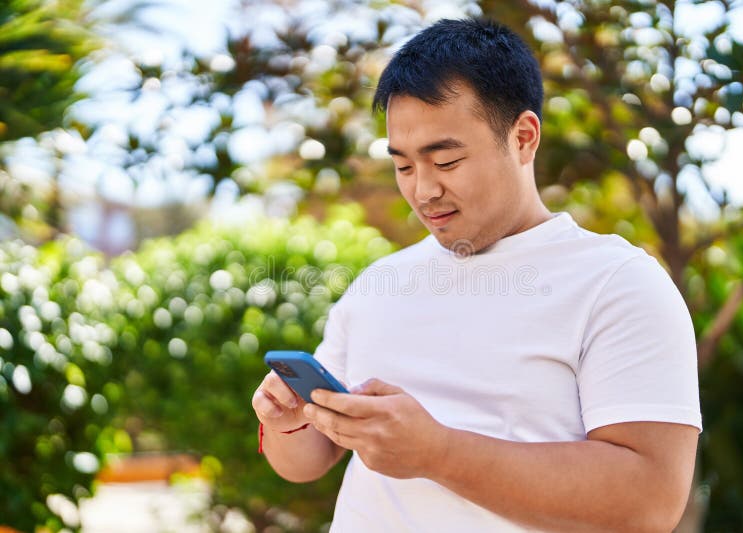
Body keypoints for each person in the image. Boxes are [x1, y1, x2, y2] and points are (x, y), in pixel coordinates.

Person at [252, 17, 702, 532]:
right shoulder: (378, 286)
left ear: (524, 138)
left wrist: (438, 453)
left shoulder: (619, 284)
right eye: (403, 166)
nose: (423, 191)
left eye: (445, 160)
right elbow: (308, 462)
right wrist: (287, 425)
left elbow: (649, 502)